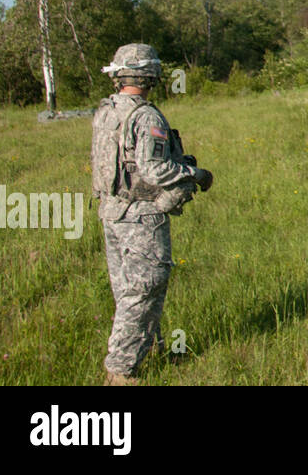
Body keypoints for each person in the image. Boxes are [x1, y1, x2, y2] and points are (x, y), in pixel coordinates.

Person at [91, 43, 213, 385]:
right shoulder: (146, 116)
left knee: (129, 289)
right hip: (141, 215)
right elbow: (154, 170)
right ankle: (121, 370)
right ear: (150, 76)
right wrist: (196, 175)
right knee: (144, 289)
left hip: (112, 212)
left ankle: (151, 346)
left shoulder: (107, 110)